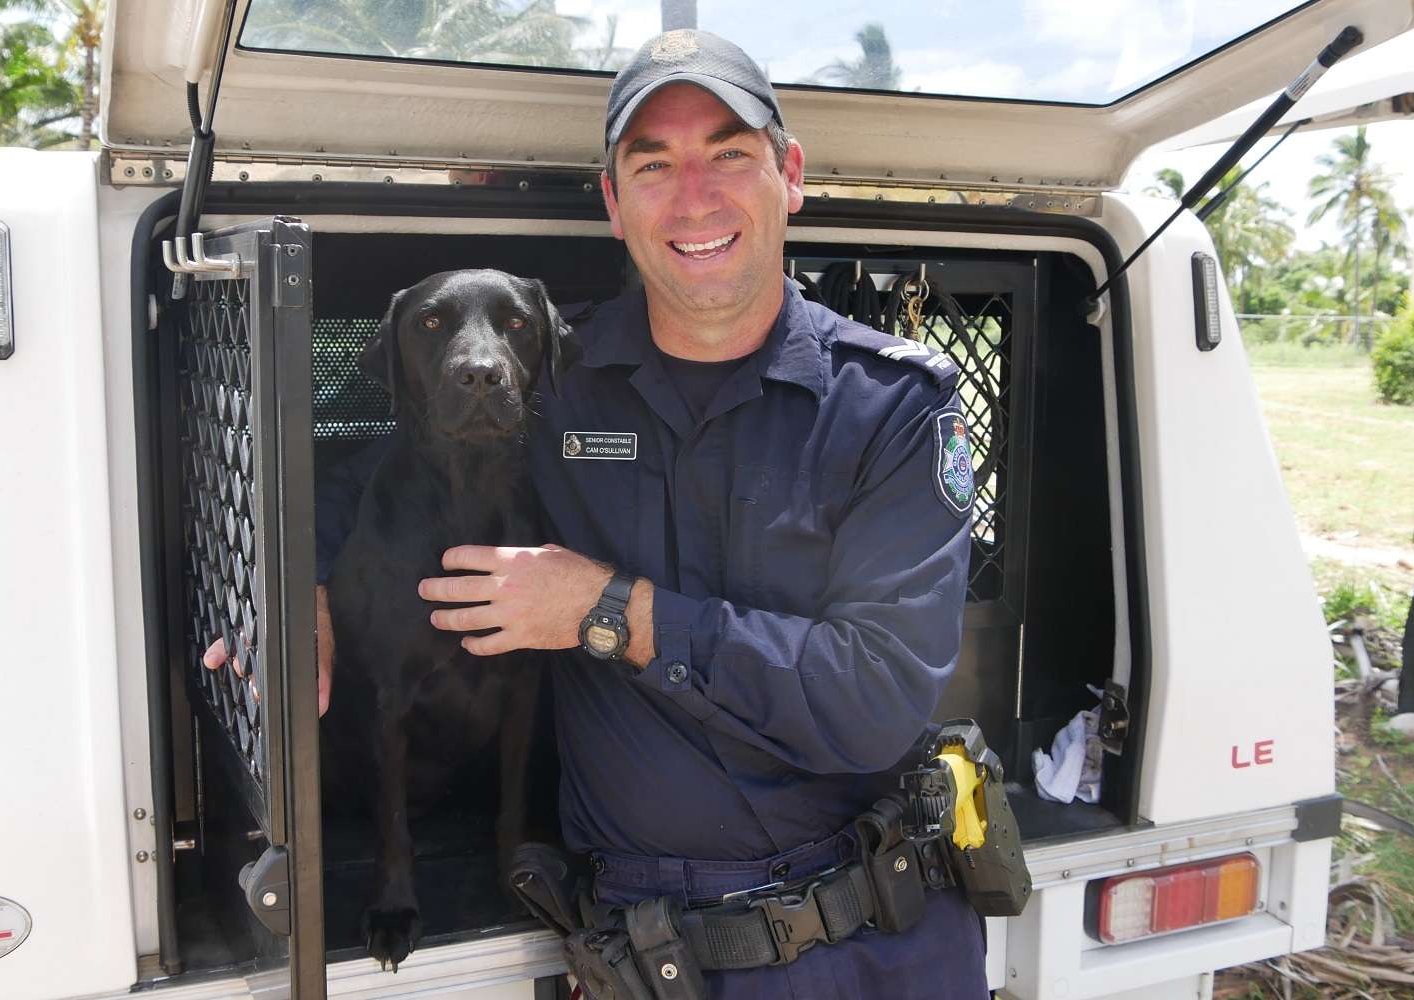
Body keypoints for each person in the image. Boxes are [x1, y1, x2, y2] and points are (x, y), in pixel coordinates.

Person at [211, 29, 986, 998]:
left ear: (787, 174)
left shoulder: (891, 405)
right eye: (653, 165)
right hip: (642, 944)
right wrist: (306, 587)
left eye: (729, 155)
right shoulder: (560, 375)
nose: (693, 196)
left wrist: (602, 607)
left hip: (874, 932)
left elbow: (873, 705)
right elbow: (388, 465)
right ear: (615, 204)